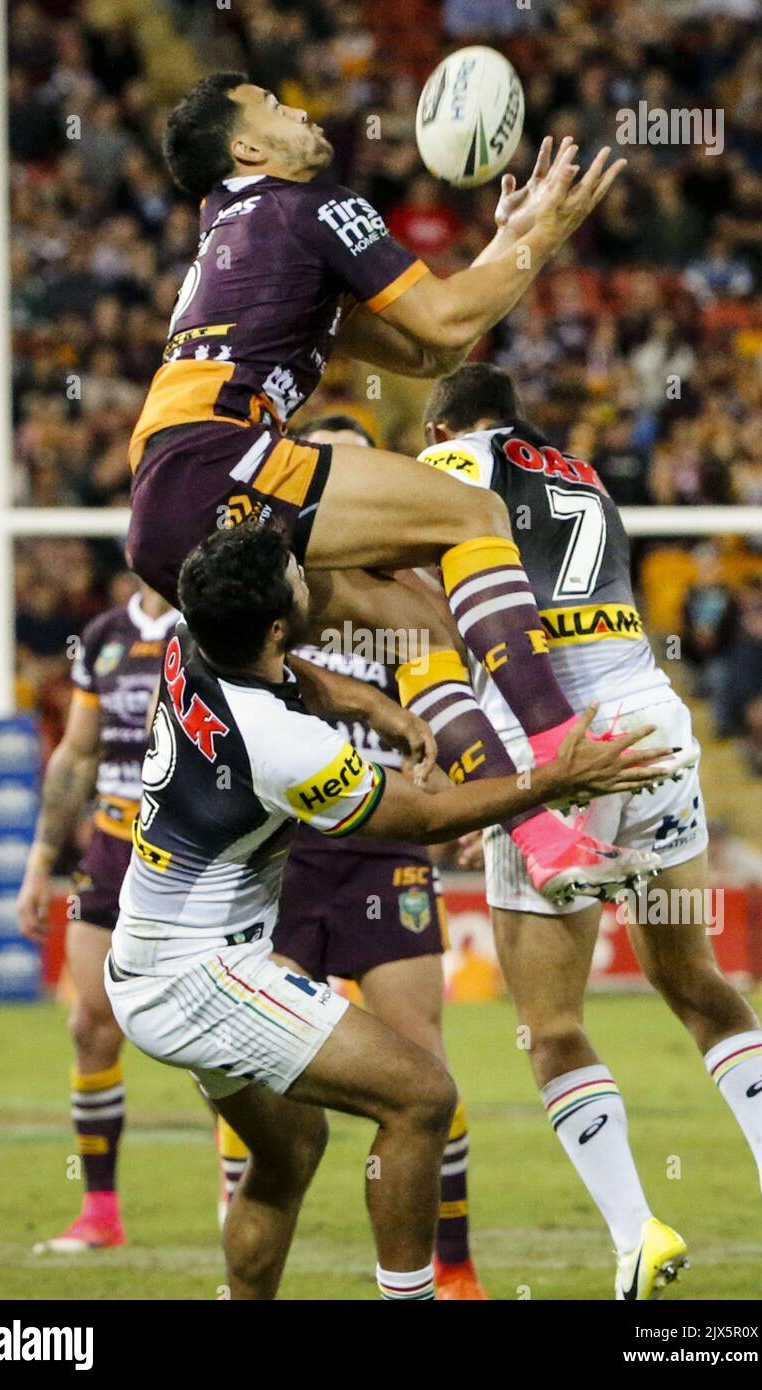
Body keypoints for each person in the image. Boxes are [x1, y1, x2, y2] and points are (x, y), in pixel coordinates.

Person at [104, 522, 668, 1301]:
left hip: (154, 952)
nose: (307, 577)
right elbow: (424, 818)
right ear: (272, 624)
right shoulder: (280, 744)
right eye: (296, 579)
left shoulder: (187, 637)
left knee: (292, 1149)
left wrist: (374, 705)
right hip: (199, 976)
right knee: (422, 1095)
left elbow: (289, 672)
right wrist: (551, 780)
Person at [123, 70, 648, 904]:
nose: (301, 108)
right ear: (249, 148)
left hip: (167, 501)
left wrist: (500, 246)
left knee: (416, 623)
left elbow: (429, 354)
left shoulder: (244, 229)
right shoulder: (311, 206)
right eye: (275, 107)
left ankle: (547, 843)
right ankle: (559, 752)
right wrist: (541, 233)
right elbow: (444, 323)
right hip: (219, 457)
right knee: (472, 513)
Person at [414, 361, 762, 1301]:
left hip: (558, 749)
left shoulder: (452, 469)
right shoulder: (580, 473)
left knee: (550, 1028)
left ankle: (637, 1233)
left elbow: (468, 623)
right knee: (694, 979)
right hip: (655, 728)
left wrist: (494, 779)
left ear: (446, 423)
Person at [216, 415, 487, 1299]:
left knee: (422, 1061)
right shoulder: (277, 594)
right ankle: (249, 1261)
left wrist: (473, 784)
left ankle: (452, 1269)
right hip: (287, 851)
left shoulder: (411, 598)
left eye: (352, 463)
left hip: (387, 845)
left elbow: (454, 697)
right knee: (267, 1075)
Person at [18, 581, 178, 1252]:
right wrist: (39, 861)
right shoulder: (108, 634)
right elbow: (76, 755)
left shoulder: (211, 617)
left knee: (216, 1039)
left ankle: (239, 1193)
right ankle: (100, 1212)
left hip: (185, 850)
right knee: (90, 1024)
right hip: (110, 849)